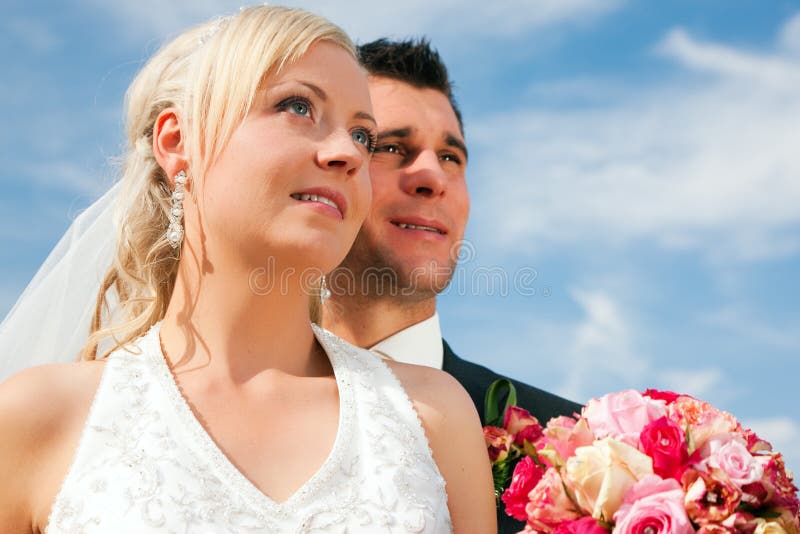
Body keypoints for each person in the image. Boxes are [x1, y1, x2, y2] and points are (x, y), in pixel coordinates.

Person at [0, 8, 495, 533]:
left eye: (363, 136)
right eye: (298, 106)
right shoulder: (38, 419)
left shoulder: (434, 419)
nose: (347, 153)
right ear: (176, 142)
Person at [320, 39, 582, 532]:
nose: (431, 177)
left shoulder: (576, 451)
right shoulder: (218, 416)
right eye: (392, 147)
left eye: (451, 157)